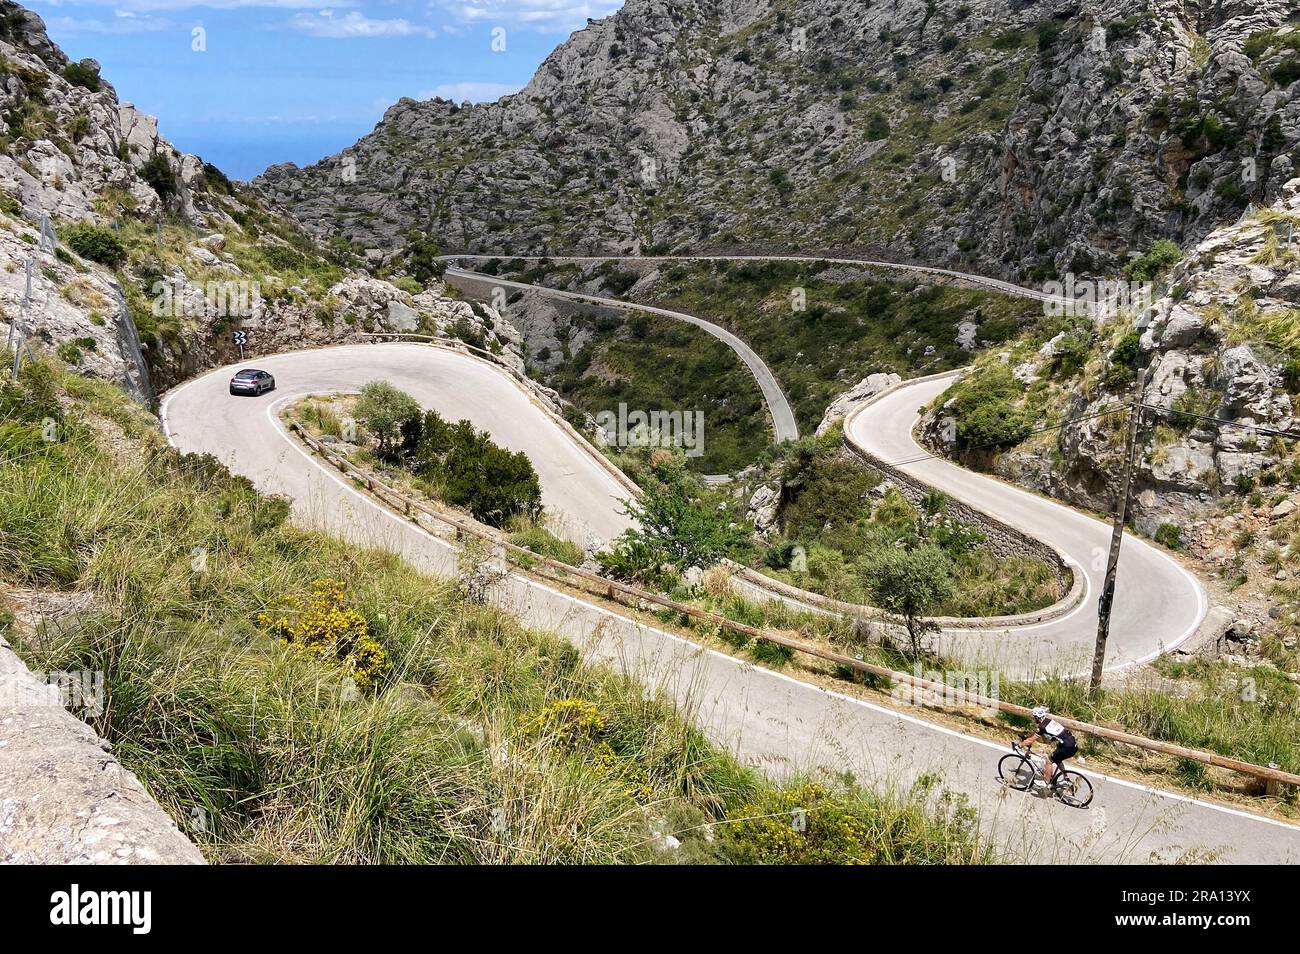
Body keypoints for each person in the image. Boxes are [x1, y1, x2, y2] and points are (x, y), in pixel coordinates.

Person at [1022, 705, 1077, 794]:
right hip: (1072, 744)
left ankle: (1045, 782)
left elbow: (1031, 740)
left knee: (1049, 760)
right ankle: (1066, 779)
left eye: (1034, 717)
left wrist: (1020, 745)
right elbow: (1040, 735)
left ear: (1037, 717)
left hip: (1066, 746)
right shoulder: (1048, 721)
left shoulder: (1042, 726)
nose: (1033, 719)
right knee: (1058, 759)